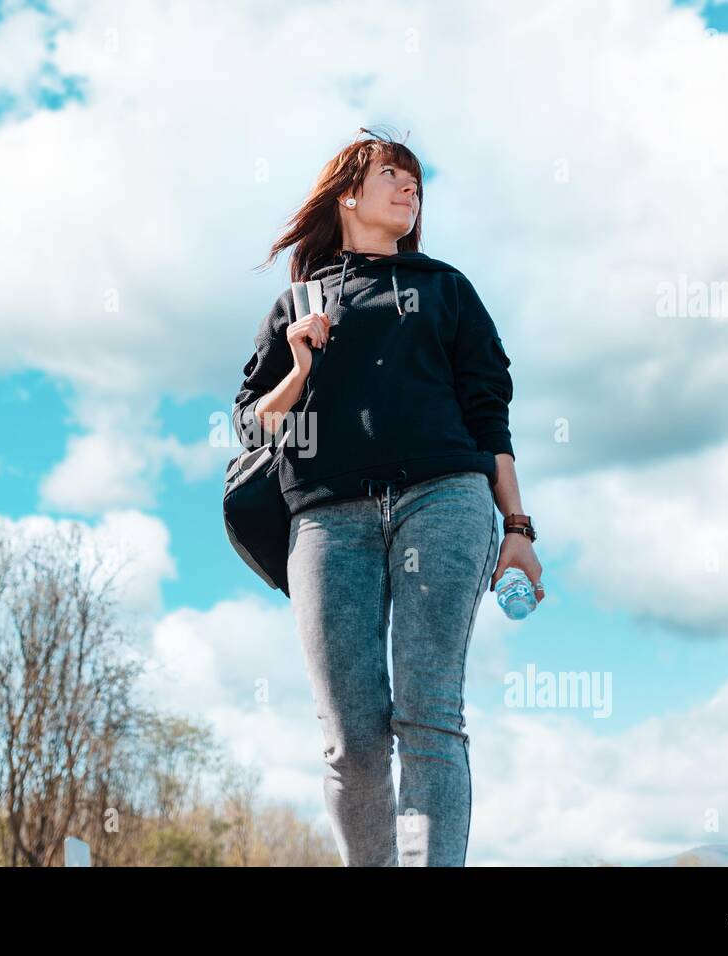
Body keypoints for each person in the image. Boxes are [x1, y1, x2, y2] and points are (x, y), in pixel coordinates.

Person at [231, 128, 545, 866]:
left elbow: (488, 413)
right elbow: (251, 425)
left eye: (416, 181)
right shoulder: (294, 306)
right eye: (392, 175)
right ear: (347, 193)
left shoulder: (447, 289)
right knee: (350, 737)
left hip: (444, 499)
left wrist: (518, 527)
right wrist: (300, 364)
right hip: (325, 518)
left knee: (429, 716)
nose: (410, 188)